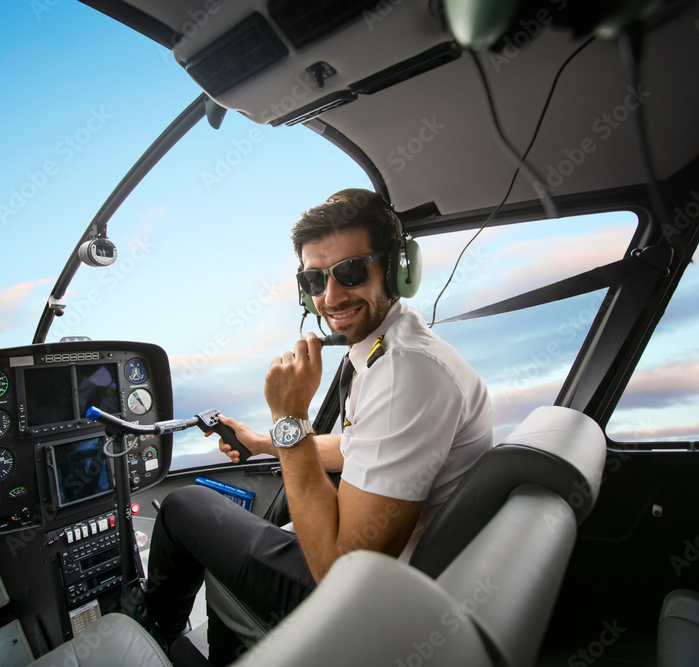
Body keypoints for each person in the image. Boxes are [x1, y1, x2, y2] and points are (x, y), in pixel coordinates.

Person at [143, 188, 493, 655]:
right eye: (313, 279)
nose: (330, 296)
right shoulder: (391, 349)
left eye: (350, 272)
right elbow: (358, 446)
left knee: (184, 507)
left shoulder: (405, 373)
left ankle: (153, 638)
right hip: (403, 578)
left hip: (369, 604)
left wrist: (289, 416)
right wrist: (267, 442)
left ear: (395, 269)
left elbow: (341, 573)